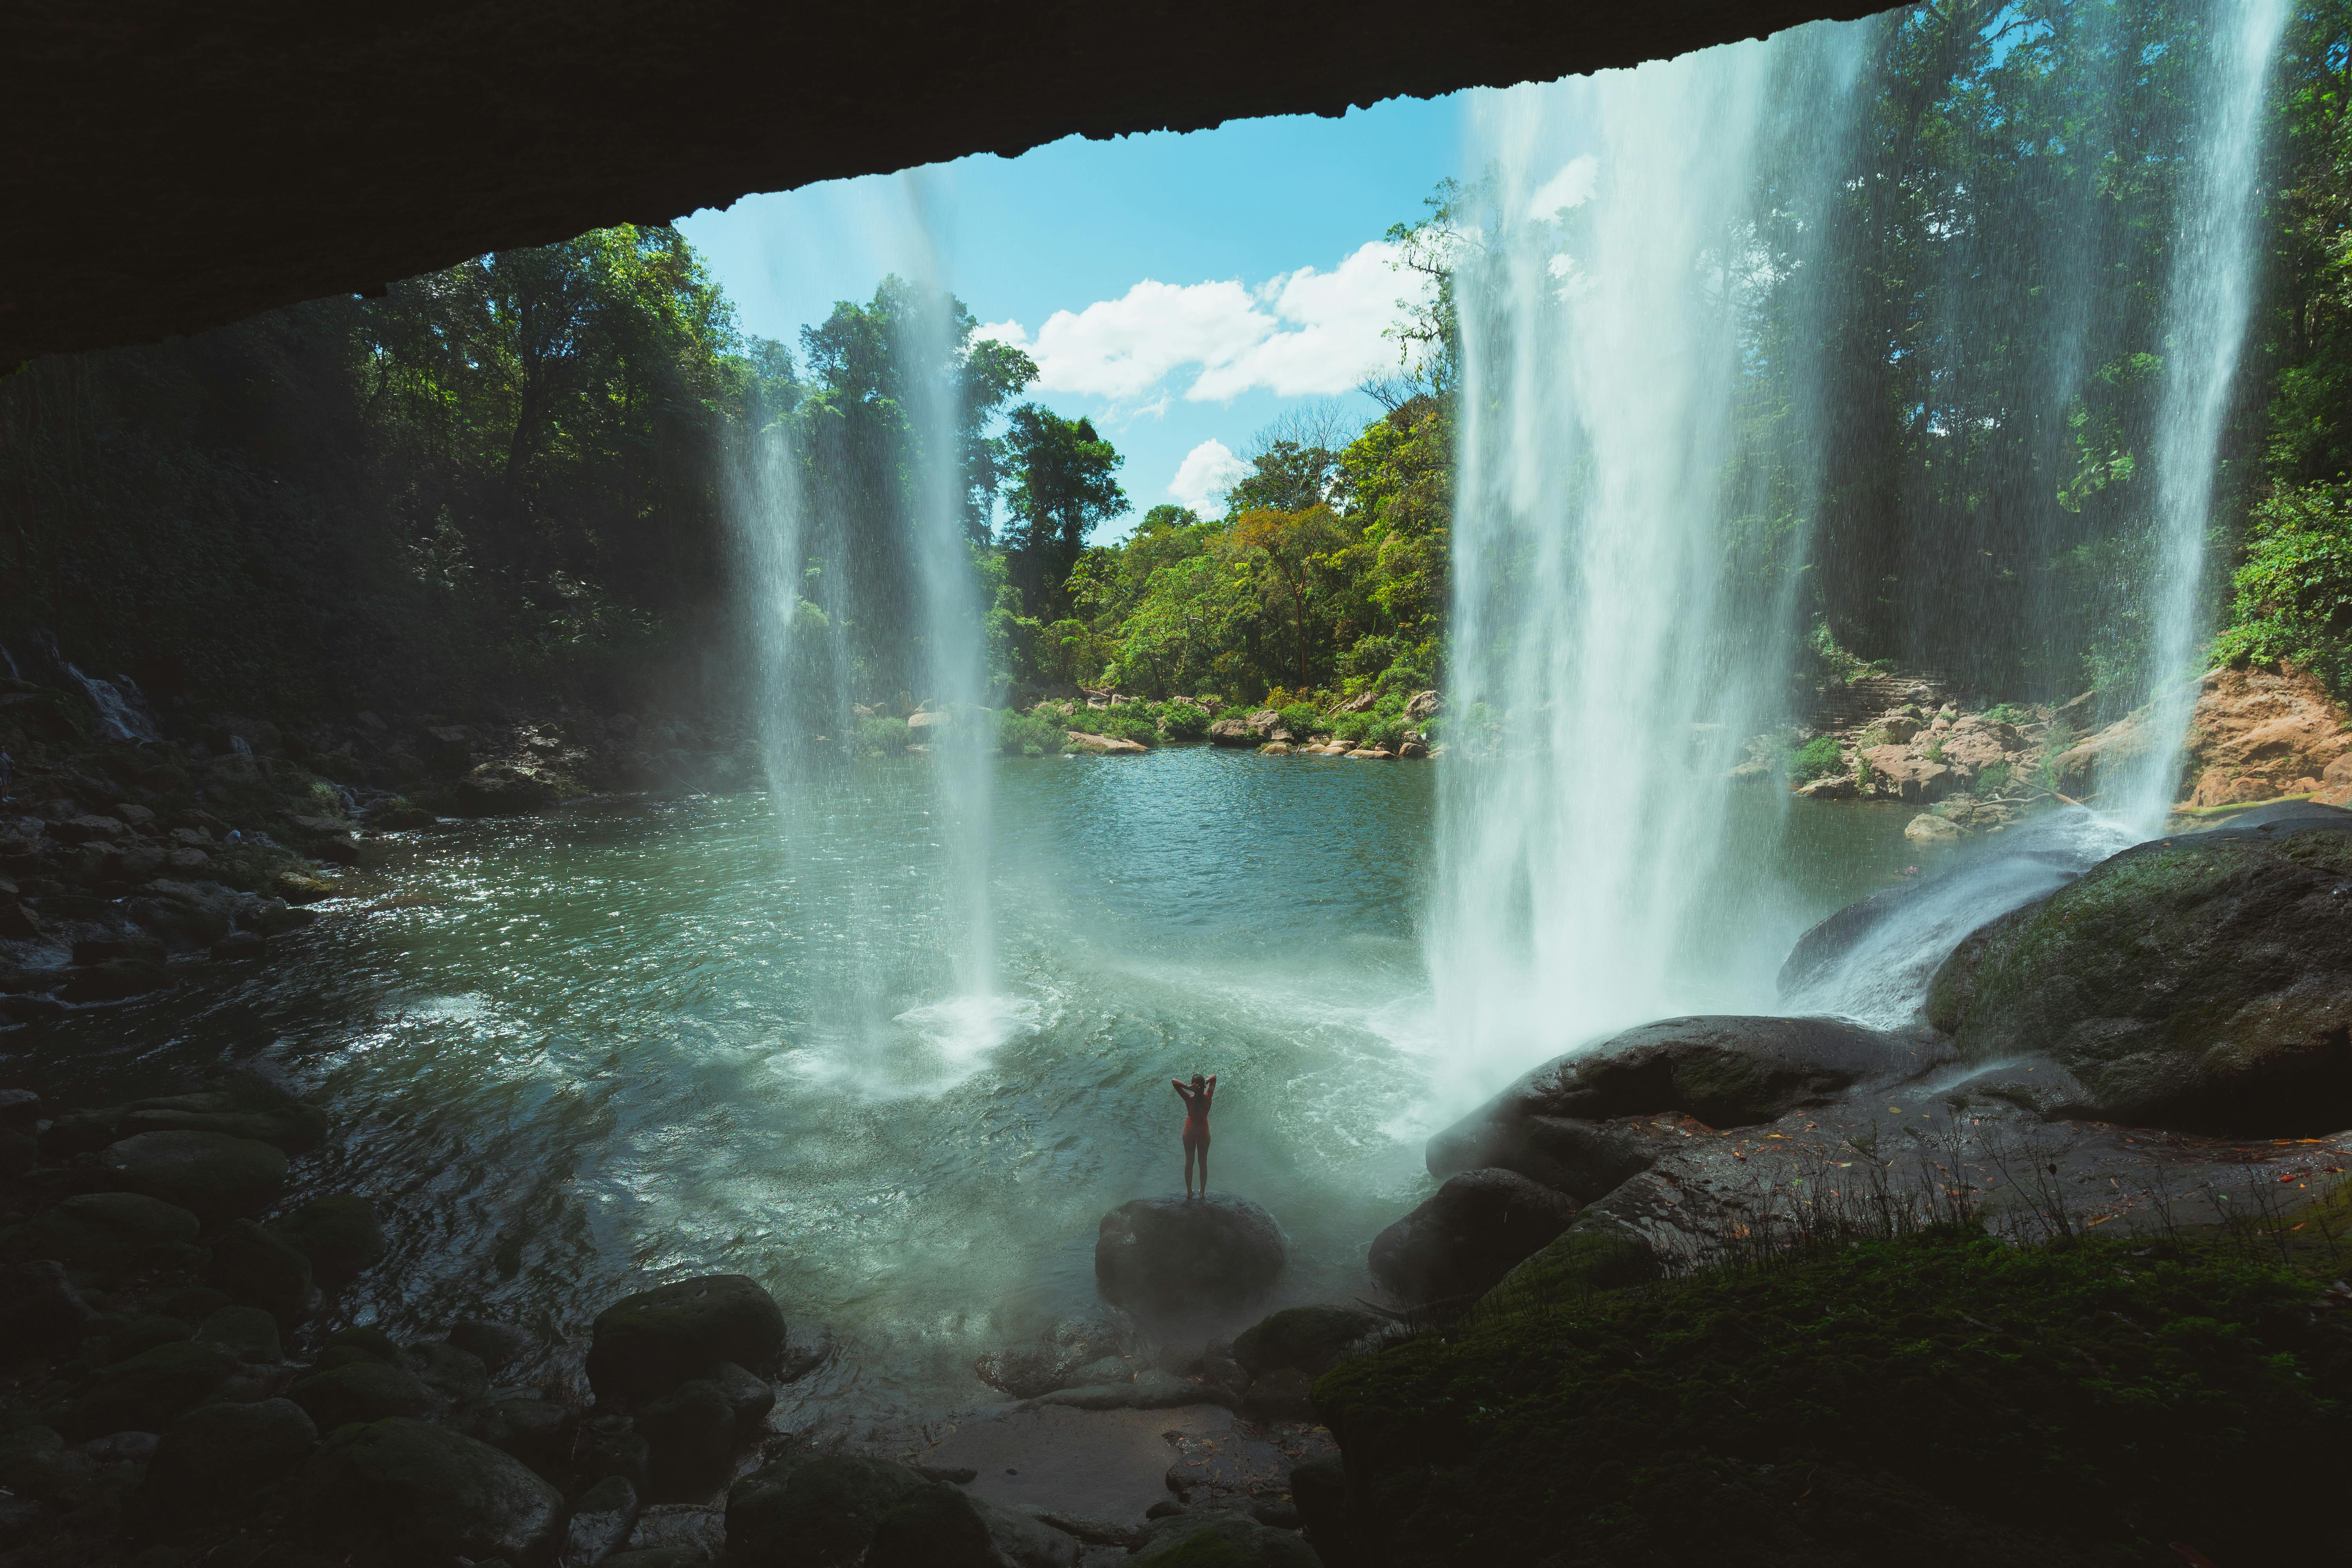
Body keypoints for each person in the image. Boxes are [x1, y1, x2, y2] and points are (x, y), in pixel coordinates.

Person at [1171, 1071, 1216, 1199]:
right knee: (1203, 1162)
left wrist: (1187, 1087)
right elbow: (1214, 1077)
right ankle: (1202, 1192)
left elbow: (1174, 1081)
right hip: (1203, 1132)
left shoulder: (1189, 1098)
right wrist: (1206, 1082)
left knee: (1189, 1161)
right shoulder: (1209, 1097)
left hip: (1190, 1132)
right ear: (1203, 1086)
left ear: (1193, 1086)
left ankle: (1189, 1191)